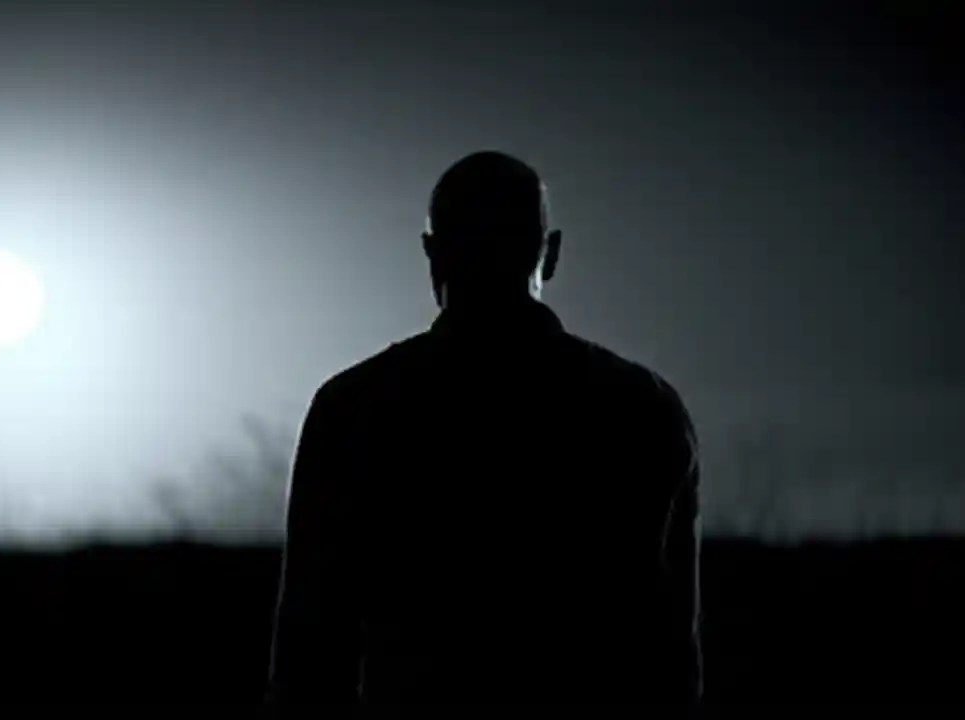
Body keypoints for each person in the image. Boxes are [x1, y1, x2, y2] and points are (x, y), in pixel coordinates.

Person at [266, 150, 702, 705]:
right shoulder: (643, 409)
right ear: (552, 253)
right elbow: (672, 651)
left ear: (432, 251)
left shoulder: (355, 407)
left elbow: (309, 647)